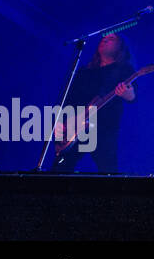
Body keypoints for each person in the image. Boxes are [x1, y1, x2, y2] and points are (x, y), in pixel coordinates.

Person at [51, 33, 136, 174]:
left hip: (104, 128)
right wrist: (60, 122)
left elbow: (133, 96)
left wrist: (128, 94)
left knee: (108, 170)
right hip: (75, 127)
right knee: (60, 167)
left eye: (112, 39)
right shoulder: (85, 72)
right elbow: (68, 99)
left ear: (121, 47)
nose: (105, 40)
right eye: (104, 38)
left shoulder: (124, 70)